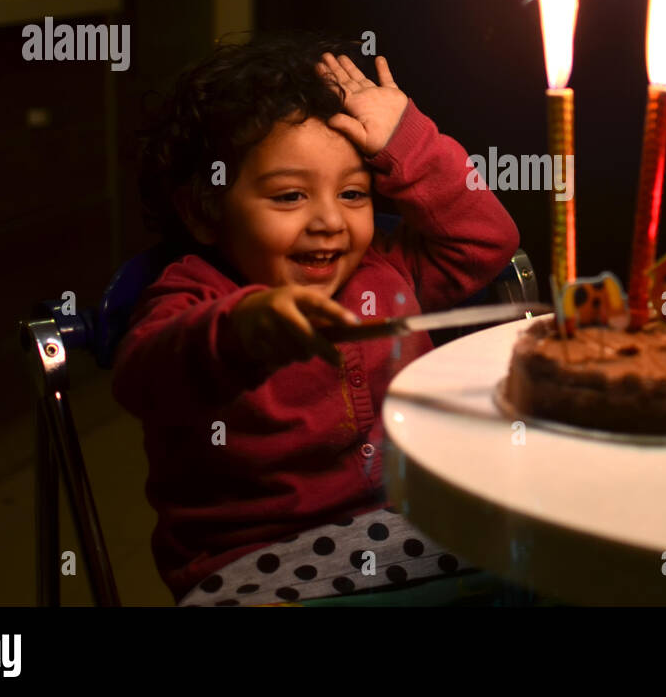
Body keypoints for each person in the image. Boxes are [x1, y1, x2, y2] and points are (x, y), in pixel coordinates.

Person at [113, 32, 521, 605]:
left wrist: (406, 137)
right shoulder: (196, 293)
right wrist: (239, 329)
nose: (329, 220)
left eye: (354, 194)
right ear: (206, 211)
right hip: (257, 564)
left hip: (413, 524)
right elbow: (144, 376)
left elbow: (487, 240)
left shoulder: (388, 270)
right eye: (288, 197)